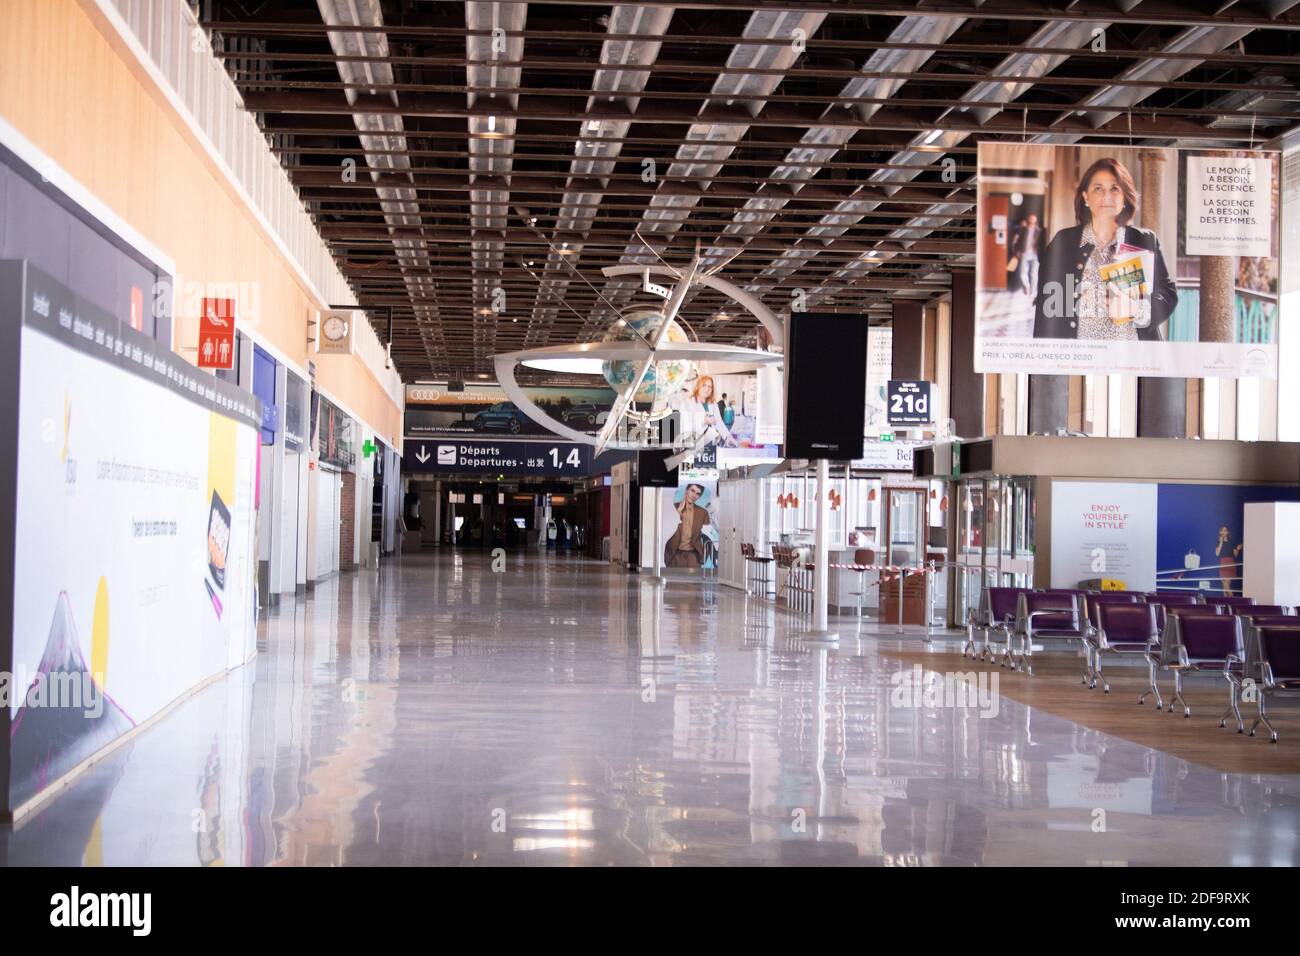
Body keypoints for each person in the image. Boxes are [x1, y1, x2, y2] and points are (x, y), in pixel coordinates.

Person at [1032, 157, 1177, 341]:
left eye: (1115, 189)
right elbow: (1046, 309)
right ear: (1085, 196)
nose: (1106, 197)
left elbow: (1167, 294)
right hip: (1078, 359)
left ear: (1125, 196)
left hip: (1131, 357)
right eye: (1098, 188)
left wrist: (1134, 308)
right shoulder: (1064, 242)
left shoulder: (1144, 240)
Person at [665, 484, 710, 568]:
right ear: (686, 491)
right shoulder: (674, 507)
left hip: (693, 555)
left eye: (698, 493)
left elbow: (708, 533)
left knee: (693, 580)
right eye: (692, 490)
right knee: (675, 580)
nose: (694, 495)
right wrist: (679, 511)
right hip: (675, 553)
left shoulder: (703, 512)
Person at [1011, 212, 1044, 298]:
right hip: (1024, 253)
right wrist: (1017, 251)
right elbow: (1017, 241)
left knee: (1034, 274)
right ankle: (1027, 286)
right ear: (1028, 220)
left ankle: (1032, 292)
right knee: (1023, 273)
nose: (1032, 222)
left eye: (1033, 220)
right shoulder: (1023, 229)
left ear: (1036, 221)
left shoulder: (1039, 231)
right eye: (1030, 220)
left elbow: (1042, 243)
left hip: (1035, 255)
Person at [1215, 524, 1242, 597]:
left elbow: (1235, 555)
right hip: (1222, 563)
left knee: (1226, 586)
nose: (1224, 532)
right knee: (1224, 588)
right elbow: (1217, 554)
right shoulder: (1218, 542)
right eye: (1222, 530)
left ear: (1227, 532)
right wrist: (1221, 542)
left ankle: (1234, 603)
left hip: (1230, 563)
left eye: (1225, 530)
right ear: (1220, 533)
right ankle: (1227, 606)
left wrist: (1237, 549)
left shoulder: (1232, 542)